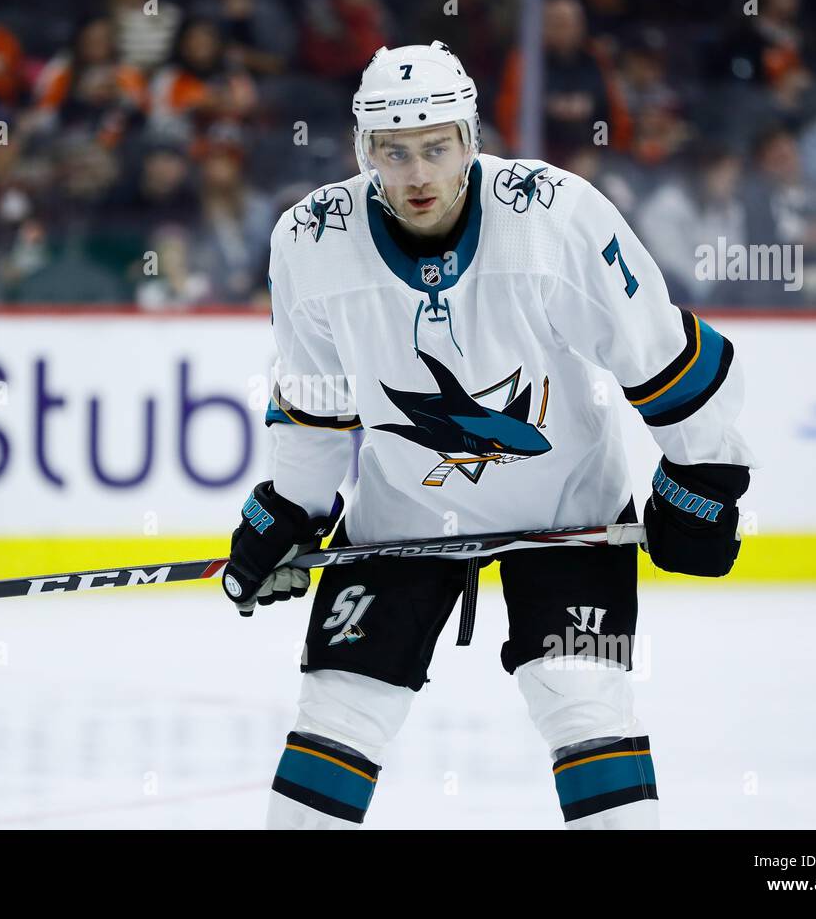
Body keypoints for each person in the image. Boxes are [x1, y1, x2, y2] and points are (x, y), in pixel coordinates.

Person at [220, 41, 755, 829]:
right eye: (393, 152)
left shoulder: (556, 216)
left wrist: (702, 480)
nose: (418, 174)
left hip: (570, 513)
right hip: (399, 521)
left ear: (472, 139)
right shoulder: (310, 239)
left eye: (437, 147)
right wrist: (285, 511)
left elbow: (666, 354)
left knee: (583, 702)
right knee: (338, 709)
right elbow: (316, 400)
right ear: (362, 150)